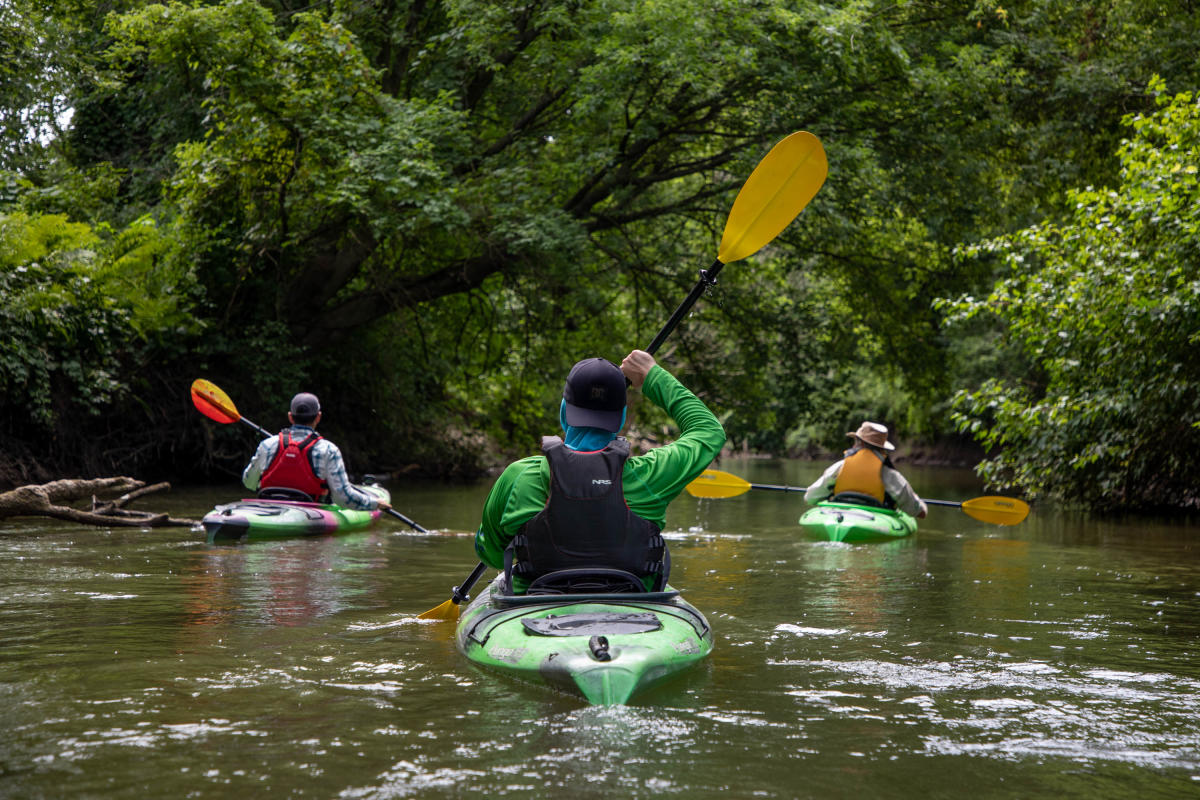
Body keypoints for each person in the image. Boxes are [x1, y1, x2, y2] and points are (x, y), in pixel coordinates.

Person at [475, 349, 726, 595]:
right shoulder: (650, 478)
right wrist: (652, 376)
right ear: (621, 417)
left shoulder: (519, 476)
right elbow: (709, 431)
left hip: (534, 608)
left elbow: (491, 554)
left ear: (564, 410)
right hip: (633, 609)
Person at [242, 392, 391, 512]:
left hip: (267, 508)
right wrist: (374, 504)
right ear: (318, 417)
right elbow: (343, 498)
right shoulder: (328, 450)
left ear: (290, 416)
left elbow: (249, 482)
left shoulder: (267, 445)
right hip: (309, 510)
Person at [804, 421, 927, 518]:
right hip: (874, 520)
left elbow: (809, 498)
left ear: (860, 444)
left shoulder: (839, 467)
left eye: (855, 441)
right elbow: (920, 513)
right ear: (882, 448)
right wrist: (918, 501)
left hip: (838, 515)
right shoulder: (890, 475)